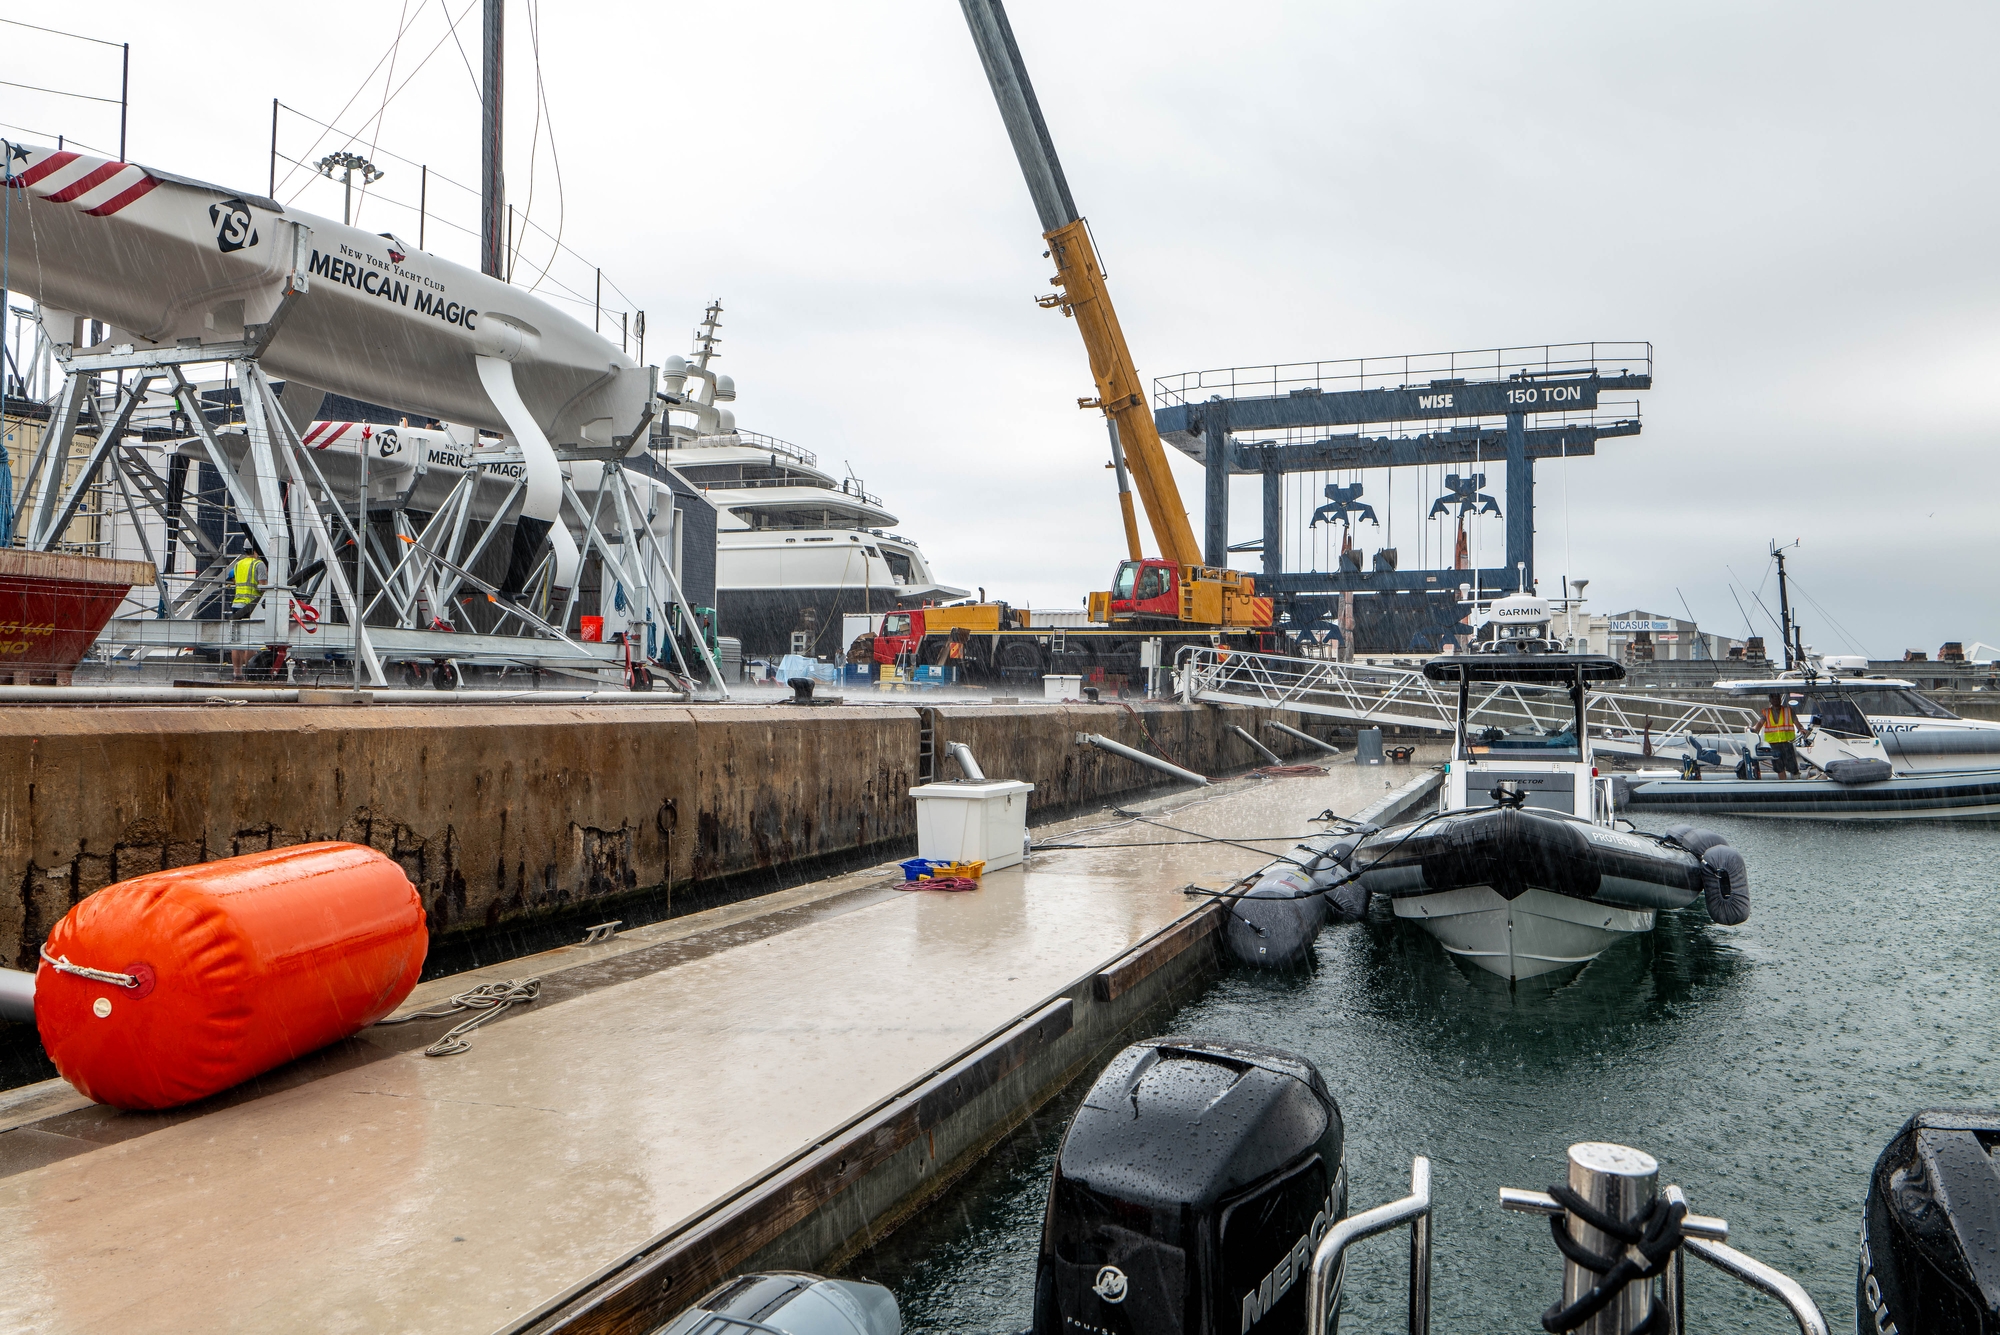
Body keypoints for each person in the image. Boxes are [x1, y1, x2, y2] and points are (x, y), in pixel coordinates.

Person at [229, 539, 268, 679]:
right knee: (250, 641)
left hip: (237, 605)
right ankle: (250, 672)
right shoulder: (259, 564)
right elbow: (263, 587)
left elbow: (233, 580)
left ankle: (237, 673)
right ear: (256, 549)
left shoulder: (238, 565)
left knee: (237, 641)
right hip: (251, 606)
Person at [1761, 691, 1801, 778]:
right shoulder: (1766, 712)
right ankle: (1784, 785)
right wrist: (1753, 730)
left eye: (1777, 698)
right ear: (1770, 700)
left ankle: (1797, 783)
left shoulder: (1788, 710)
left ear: (1780, 699)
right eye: (1774, 698)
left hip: (1787, 742)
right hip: (1773, 744)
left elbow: (1796, 722)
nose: (1776, 700)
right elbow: (1759, 724)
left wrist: (1802, 729)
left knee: (1793, 766)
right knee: (1779, 767)